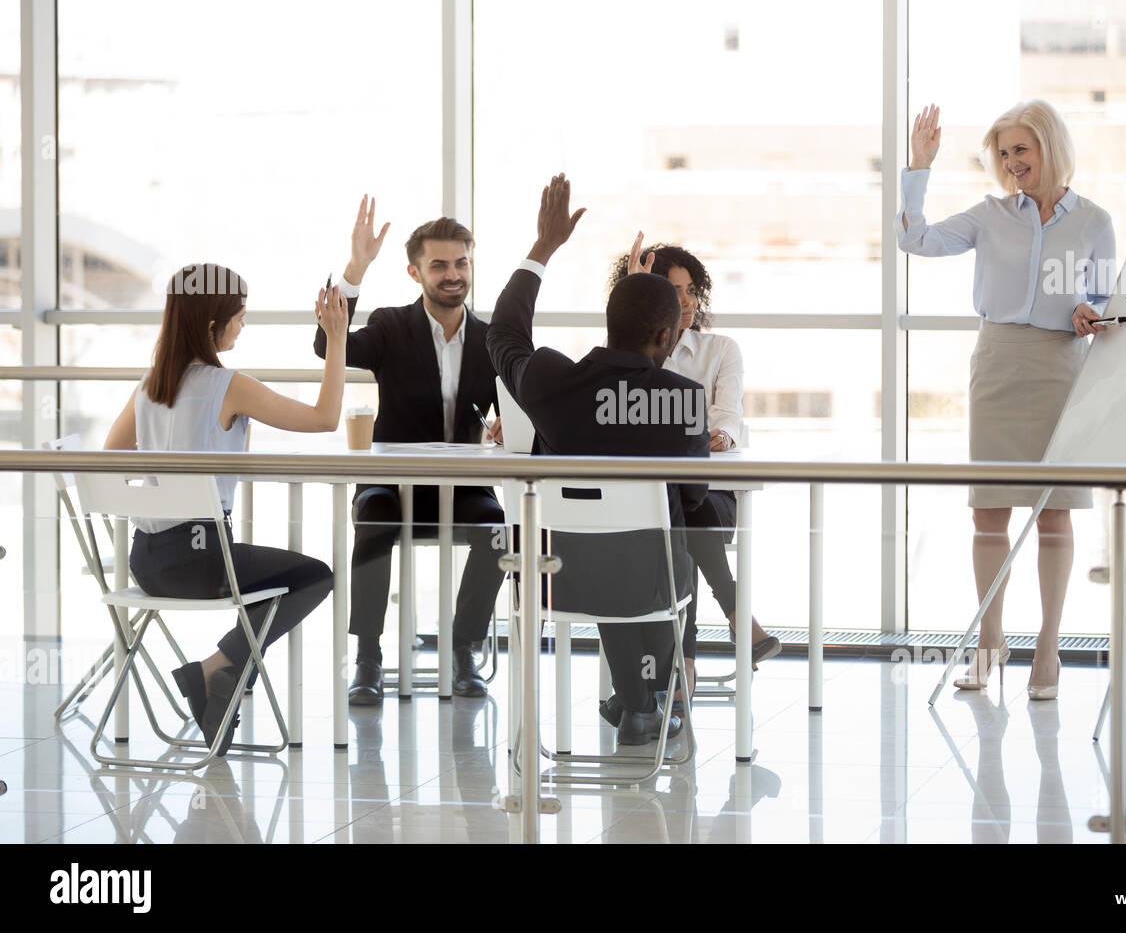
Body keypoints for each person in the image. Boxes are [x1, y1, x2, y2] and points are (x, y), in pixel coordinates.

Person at [896, 100, 1116, 700]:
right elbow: (915, 239)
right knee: (988, 510)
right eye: (1004, 152)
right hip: (997, 365)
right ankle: (990, 642)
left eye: (1022, 149)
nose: (1012, 161)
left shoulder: (1093, 221)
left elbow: (1107, 297)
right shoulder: (990, 215)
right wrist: (920, 165)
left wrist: (1088, 309)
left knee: (1054, 511)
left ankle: (1048, 646)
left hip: (1059, 367)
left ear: (1050, 148)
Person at [487, 174, 710, 746]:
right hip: (651, 585)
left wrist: (544, 247)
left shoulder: (549, 380)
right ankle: (648, 699)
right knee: (659, 544)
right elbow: (693, 496)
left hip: (556, 579)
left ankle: (638, 703)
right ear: (666, 336)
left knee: (605, 544)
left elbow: (504, 332)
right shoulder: (683, 398)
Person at [104, 263, 343, 755]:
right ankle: (215, 669)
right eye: (239, 315)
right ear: (212, 323)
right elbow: (325, 418)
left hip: (146, 562)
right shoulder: (228, 385)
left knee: (263, 583)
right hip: (204, 564)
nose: (243, 324)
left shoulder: (149, 386)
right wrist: (336, 339)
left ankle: (218, 677)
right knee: (313, 576)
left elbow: (111, 458)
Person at [312, 197, 506, 704]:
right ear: (414, 272)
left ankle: (463, 649)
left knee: (499, 531)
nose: (452, 275)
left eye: (461, 263)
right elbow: (327, 345)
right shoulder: (391, 326)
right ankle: (368, 657)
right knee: (373, 517)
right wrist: (356, 268)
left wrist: (509, 421)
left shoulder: (490, 340)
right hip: (391, 483)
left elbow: (521, 403)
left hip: (464, 487)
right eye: (439, 265)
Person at [609, 238, 780, 704]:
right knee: (678, 519)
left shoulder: (720, 349)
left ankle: (682, 663)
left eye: (690, 290)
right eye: (671, 291)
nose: (685, 302)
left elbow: (727, 416)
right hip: (646, 502)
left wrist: (720, 435)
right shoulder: (628, 354)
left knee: (684, 517)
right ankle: (737, 616)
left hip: (710, 494)